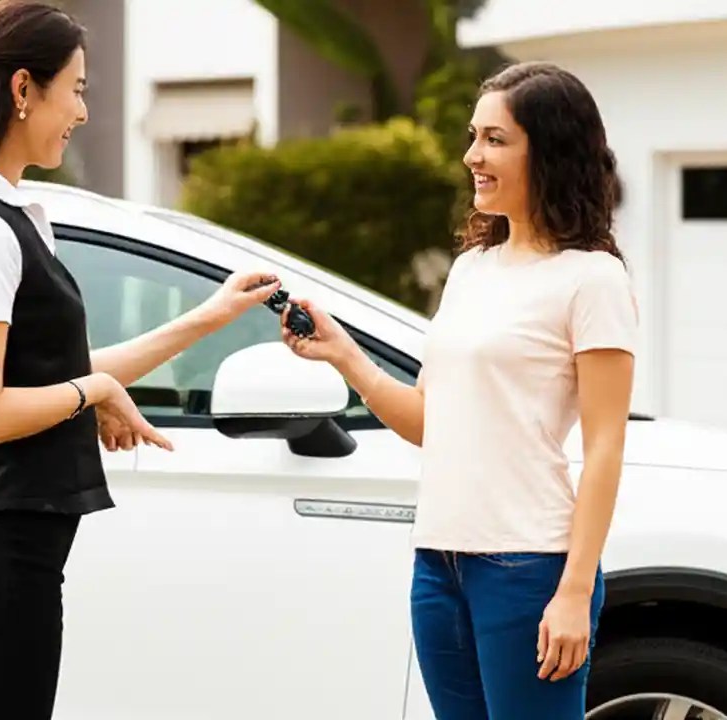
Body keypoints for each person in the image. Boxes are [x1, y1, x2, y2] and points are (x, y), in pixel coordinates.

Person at [0, 2, 280, 718]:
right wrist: (91, 391)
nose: (83, 111)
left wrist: (210, 316)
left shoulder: (9, 219)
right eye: (76, 89)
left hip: (14, 546)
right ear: (23, 89)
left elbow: (54, 371)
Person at [278, 61, 637, 719]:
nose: (473, 155)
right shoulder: (472, 270)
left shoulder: (593, 280)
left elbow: (606, 447)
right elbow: (429, 423)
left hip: (529, 568)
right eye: (474, 136)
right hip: (438, 566)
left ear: (550, 152)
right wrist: (344, 355)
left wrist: (574, 590)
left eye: (496, 139)